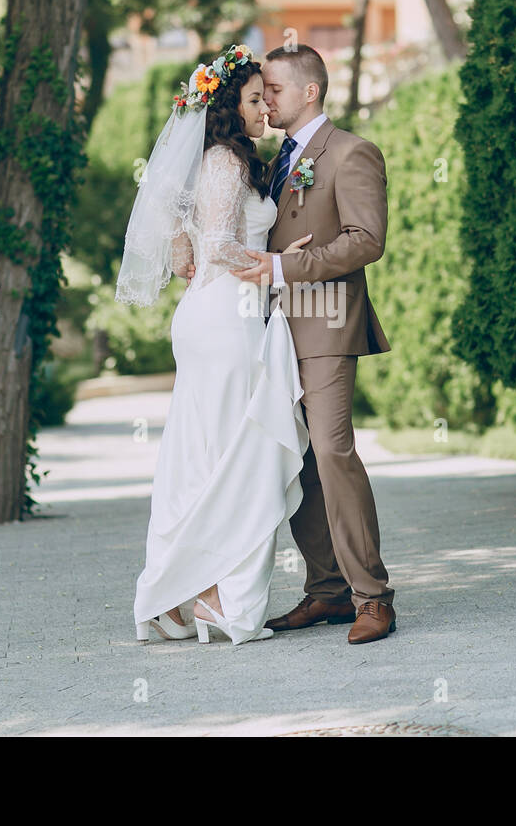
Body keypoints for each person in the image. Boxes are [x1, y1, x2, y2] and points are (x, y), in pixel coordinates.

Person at [188, 44, 398, 645]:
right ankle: (327, 591)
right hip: (269, 332)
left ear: (309, 91)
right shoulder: (272, 160)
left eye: (273, 89)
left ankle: (373, 597)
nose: (266, 100)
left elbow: (366, 241)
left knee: (332, 453)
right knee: (299, 460)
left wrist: (283, 268)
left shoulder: (353, 153)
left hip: (326, 323)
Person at [116, 44, 312, 645]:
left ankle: (182, 594)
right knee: (241, 461)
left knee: (205, 459)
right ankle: (216, 599)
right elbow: (222, 246)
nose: (266, 109)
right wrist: (279, 262)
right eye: (256, 99)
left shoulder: (210, 164)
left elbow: (183, 258)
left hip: (206, 315)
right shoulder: (227, 163)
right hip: (227, 320)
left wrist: (207, 255)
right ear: (228, 106)